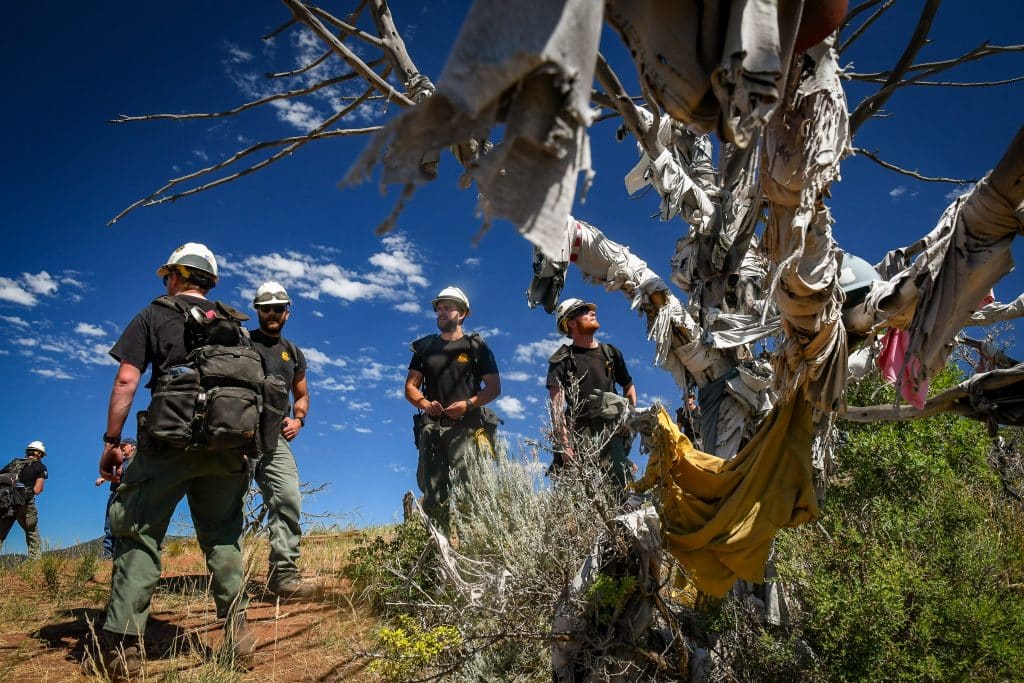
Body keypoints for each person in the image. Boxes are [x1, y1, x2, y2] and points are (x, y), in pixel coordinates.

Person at [91, 242, 255, 679]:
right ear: (210, 281)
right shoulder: (235, 324)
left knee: (138, 532)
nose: (165, 282)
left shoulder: (155, 314)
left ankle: (125, 647)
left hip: (168, 443)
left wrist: (112, 441)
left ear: (178, 275)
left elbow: (127, 380)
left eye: (168, 275)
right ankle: (239, 634)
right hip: (225, 448)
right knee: (223, 537)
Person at [404, 286, 501, 533]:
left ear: (463, 313)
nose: (442, 312)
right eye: (439, 308)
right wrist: (425, 404)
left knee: (471, 492)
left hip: (466, 429)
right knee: (433, 495)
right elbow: (410, 387)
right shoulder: (425, 348)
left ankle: (474, 549)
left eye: (448, 307)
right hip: (432, 429)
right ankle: (439, 550)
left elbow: (494, 388)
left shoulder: (475, 346)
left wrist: (467, 404)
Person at [248, 281, 315, 600]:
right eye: (266, 308)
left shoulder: (293, 352)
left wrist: (298, 420)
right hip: (240, 434)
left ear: (287, 312)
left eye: (277, 308)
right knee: (228, 503)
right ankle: (226, 579)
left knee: (288, 498)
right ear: (257, 311)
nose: (272, 313)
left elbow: (301, 394)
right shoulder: (242, 341)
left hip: (276, 437)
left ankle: (283, 576)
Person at [547, 298, 637, 490]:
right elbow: (556, 408)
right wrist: (566, 445)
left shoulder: (610, 353)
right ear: (571, 323)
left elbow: (629, 387)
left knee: (619, 493)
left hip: (611, 433)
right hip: (579, 436)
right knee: (576, 495)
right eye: (584, 311)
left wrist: (628, 418)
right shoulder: (562, 360)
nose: (592, 312)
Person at [0, 440, 48, 560]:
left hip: (6, 502)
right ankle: (34, 561)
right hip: (24, 503)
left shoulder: (13, 463)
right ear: (39, 453)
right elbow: (37, 489)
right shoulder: (40, 466)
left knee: (1, 534)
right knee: (32, 532)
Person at [94, 437, 136, 559]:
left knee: (127, 524)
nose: (121, 448)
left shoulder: (137, 462)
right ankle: (107, 552)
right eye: (120, 446)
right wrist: (103, 478)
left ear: (133, 446)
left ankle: (124, 552)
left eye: (124, 446)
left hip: (129, 495)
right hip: (115, 495)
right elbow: (112, 474)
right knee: (109, 524)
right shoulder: (119, 462)